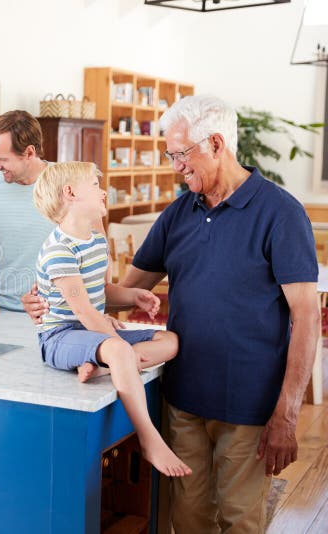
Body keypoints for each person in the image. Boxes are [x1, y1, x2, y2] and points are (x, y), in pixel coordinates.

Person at [26, 95, 320, 532]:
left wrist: (287, 414)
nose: (175, 166)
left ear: (216, 144)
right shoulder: (179, 214)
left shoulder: (280, 213)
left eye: (181, 154)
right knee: (187, 517)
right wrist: (49, 301)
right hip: (182, 399)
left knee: (241, 519)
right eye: (171, 155)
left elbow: (308, 319)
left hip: (249, 402)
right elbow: (120, 292)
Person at [34, 161, 190, 478]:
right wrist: (115, 347)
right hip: (60, 336)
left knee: (170, 340)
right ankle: (149, 439)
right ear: (70, 193)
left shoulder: (95, 238)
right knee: (118, 350)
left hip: (90, 334)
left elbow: (100, 291)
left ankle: (100, 362)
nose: (103, 190)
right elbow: (86, 313)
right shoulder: (58, 251)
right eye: (95, 184)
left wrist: (133, 296)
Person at [0, 110, 57, 316]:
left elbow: (95, 248)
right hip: (2, 311)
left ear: (29, 153)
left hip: (58, 314)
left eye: (2, 159)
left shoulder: (67, 183)